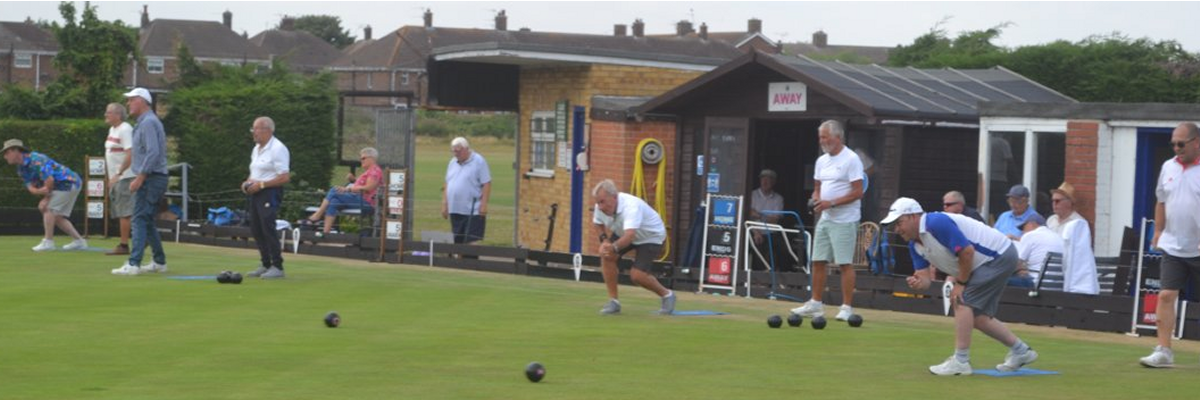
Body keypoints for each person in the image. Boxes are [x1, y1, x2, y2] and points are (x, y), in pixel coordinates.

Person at [883, 197, 1038, 375]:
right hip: (986, 262)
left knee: (961, 301)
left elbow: (966, 252)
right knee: (977, 316)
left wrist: (960, 283)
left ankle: (961, 361)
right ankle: (1021, 351)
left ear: (913, 217)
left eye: (899, 223)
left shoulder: (936, 222)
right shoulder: (914, 246)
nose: (896, 229)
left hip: (998, 255)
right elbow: (925, 280)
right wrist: (918, 283)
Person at [1140, 122, 1200, 368]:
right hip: (1174, 245)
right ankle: (1163, 351)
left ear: (1196, 142)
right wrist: (1159, 232)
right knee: (1165, 295)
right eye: (1173, 144)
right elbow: (1161, 200)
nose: (1176, 148)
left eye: (1181, 143)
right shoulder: (1167, 167)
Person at [791, 120, 864, 321]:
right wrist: (816, 199)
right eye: (820, 137)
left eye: (825, 137)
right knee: (817, 261)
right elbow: (817, 187)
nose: (821, 141)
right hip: (825, 217)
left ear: (837, 137)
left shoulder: (851, 159)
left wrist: (831, 203)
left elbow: (858, 192)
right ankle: (815, 304)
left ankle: (847, 307)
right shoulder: (821, 160)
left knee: (844, 263)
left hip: (845, 219)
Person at [592, 179, 676, 315]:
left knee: (637, 276)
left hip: (650, 235)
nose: (600, 207)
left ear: (614, 197)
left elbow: (630, 236)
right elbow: (597, 223)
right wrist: (604, 241)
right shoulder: (599, 207)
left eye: (603, 202)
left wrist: (612, 248)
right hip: (624, 231)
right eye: (598, 202)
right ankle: (614, 302)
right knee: (607, 256)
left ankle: (667, 295)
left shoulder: (630, 207)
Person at [112, 88, 169, 276]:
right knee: (147, 220)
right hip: (153, 177)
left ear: (142, 101)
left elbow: (153, 152)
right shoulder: (146, 122)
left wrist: (140, 177)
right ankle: (159, 261)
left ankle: (134, 263)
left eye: (131, 100)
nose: (128, 104)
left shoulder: (148, 123)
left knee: (138, 218)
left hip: (151, 178)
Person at [3, 139, 87, 251]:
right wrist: (38, 192)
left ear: (15, 151)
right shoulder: (21, 169)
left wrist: (46, 198)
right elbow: (30, 187)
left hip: (68, 183)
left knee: (48, 208)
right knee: (56, 217)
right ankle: (79, 241)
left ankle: (48, 242)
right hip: (62, 185)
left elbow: (49, 179)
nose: (5, 156)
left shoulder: (36, 159)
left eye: (7, 152)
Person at [242, 117, 291, 279]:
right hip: (256, 192)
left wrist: (261, 185)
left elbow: (284, 177)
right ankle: (265, 263)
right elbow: (255, 172)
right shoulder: (256, 148)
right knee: (256, 229)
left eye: (257, 129)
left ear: (268, 130)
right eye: (253, 129)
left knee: (268, 227)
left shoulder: (278, 149)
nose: (253, 133)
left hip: (270, 192)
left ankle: (277, 266)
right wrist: (248, 182)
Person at [303, 147, 382, 236]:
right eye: (360, 158)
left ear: (372, 158)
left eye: (363, 158)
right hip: (358, 199)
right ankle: (325, 234)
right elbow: (363, 186)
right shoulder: (369, 171)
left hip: (366, 203)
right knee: (334, 202)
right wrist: (354, 180)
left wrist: (348, 189)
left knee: (334, 190)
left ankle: (318, 214)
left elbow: (369, 188)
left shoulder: (374, 171)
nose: (361, 160)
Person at [1046, 182, 1099, 294]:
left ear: (1069, 202)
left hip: (1065, 270)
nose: (1054, 204)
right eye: (1053, 201)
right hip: (1048, 266)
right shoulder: (1051, 220)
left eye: (1058, 201)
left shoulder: (1079, 223)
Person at [441, 137, 491, 244]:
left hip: (473, 210)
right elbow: (447, 183)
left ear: (466, 149)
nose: (456, 154)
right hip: (455, 209)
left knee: (471, 242)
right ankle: (458, 260)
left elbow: (486, 183)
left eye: (458, 151)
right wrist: (445, 204)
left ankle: (471, 261)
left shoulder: (479, 161)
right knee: (457, 241)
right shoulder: (452, 162)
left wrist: (484, 204)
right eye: (454, 151)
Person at [104, 103, 136, 256]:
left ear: (118, 115)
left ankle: (124, 245)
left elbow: (130, 154)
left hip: (125, 177)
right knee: (122, 211)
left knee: (125, 213)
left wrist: (118, 173)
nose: (106, 115)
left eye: (109, 112)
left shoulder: (125, 129)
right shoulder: (113, 129)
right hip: (117, 178)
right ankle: (143, 239)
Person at [749, 169, 792, 271]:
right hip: (753, 230)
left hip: (771, 232)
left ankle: (781, 276)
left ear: (773, 182)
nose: (765, 182)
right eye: (763, 179)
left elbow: (775, 220)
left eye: (768, 179)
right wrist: (756, 231)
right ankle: (758, 278)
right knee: (757, 245)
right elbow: (748, 214)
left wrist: (758, 215)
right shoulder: (752, 195)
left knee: (784, 249)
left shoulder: (778, 198)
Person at [1009, 213, 1061, 288]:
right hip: (1057, 286)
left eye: (1023, 228)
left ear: (1032, 224)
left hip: (1037, 283)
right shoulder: (1058, 237)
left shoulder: (1030, 235)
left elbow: (1015, 263)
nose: (1022, 232)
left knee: (1000, 280)